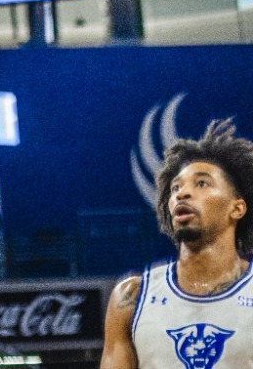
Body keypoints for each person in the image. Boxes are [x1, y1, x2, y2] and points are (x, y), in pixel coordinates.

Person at [103, 119, 253, 369]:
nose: (182, 194)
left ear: (236, 208)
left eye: (201, 183)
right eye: (175, 188)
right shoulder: (131, 297)